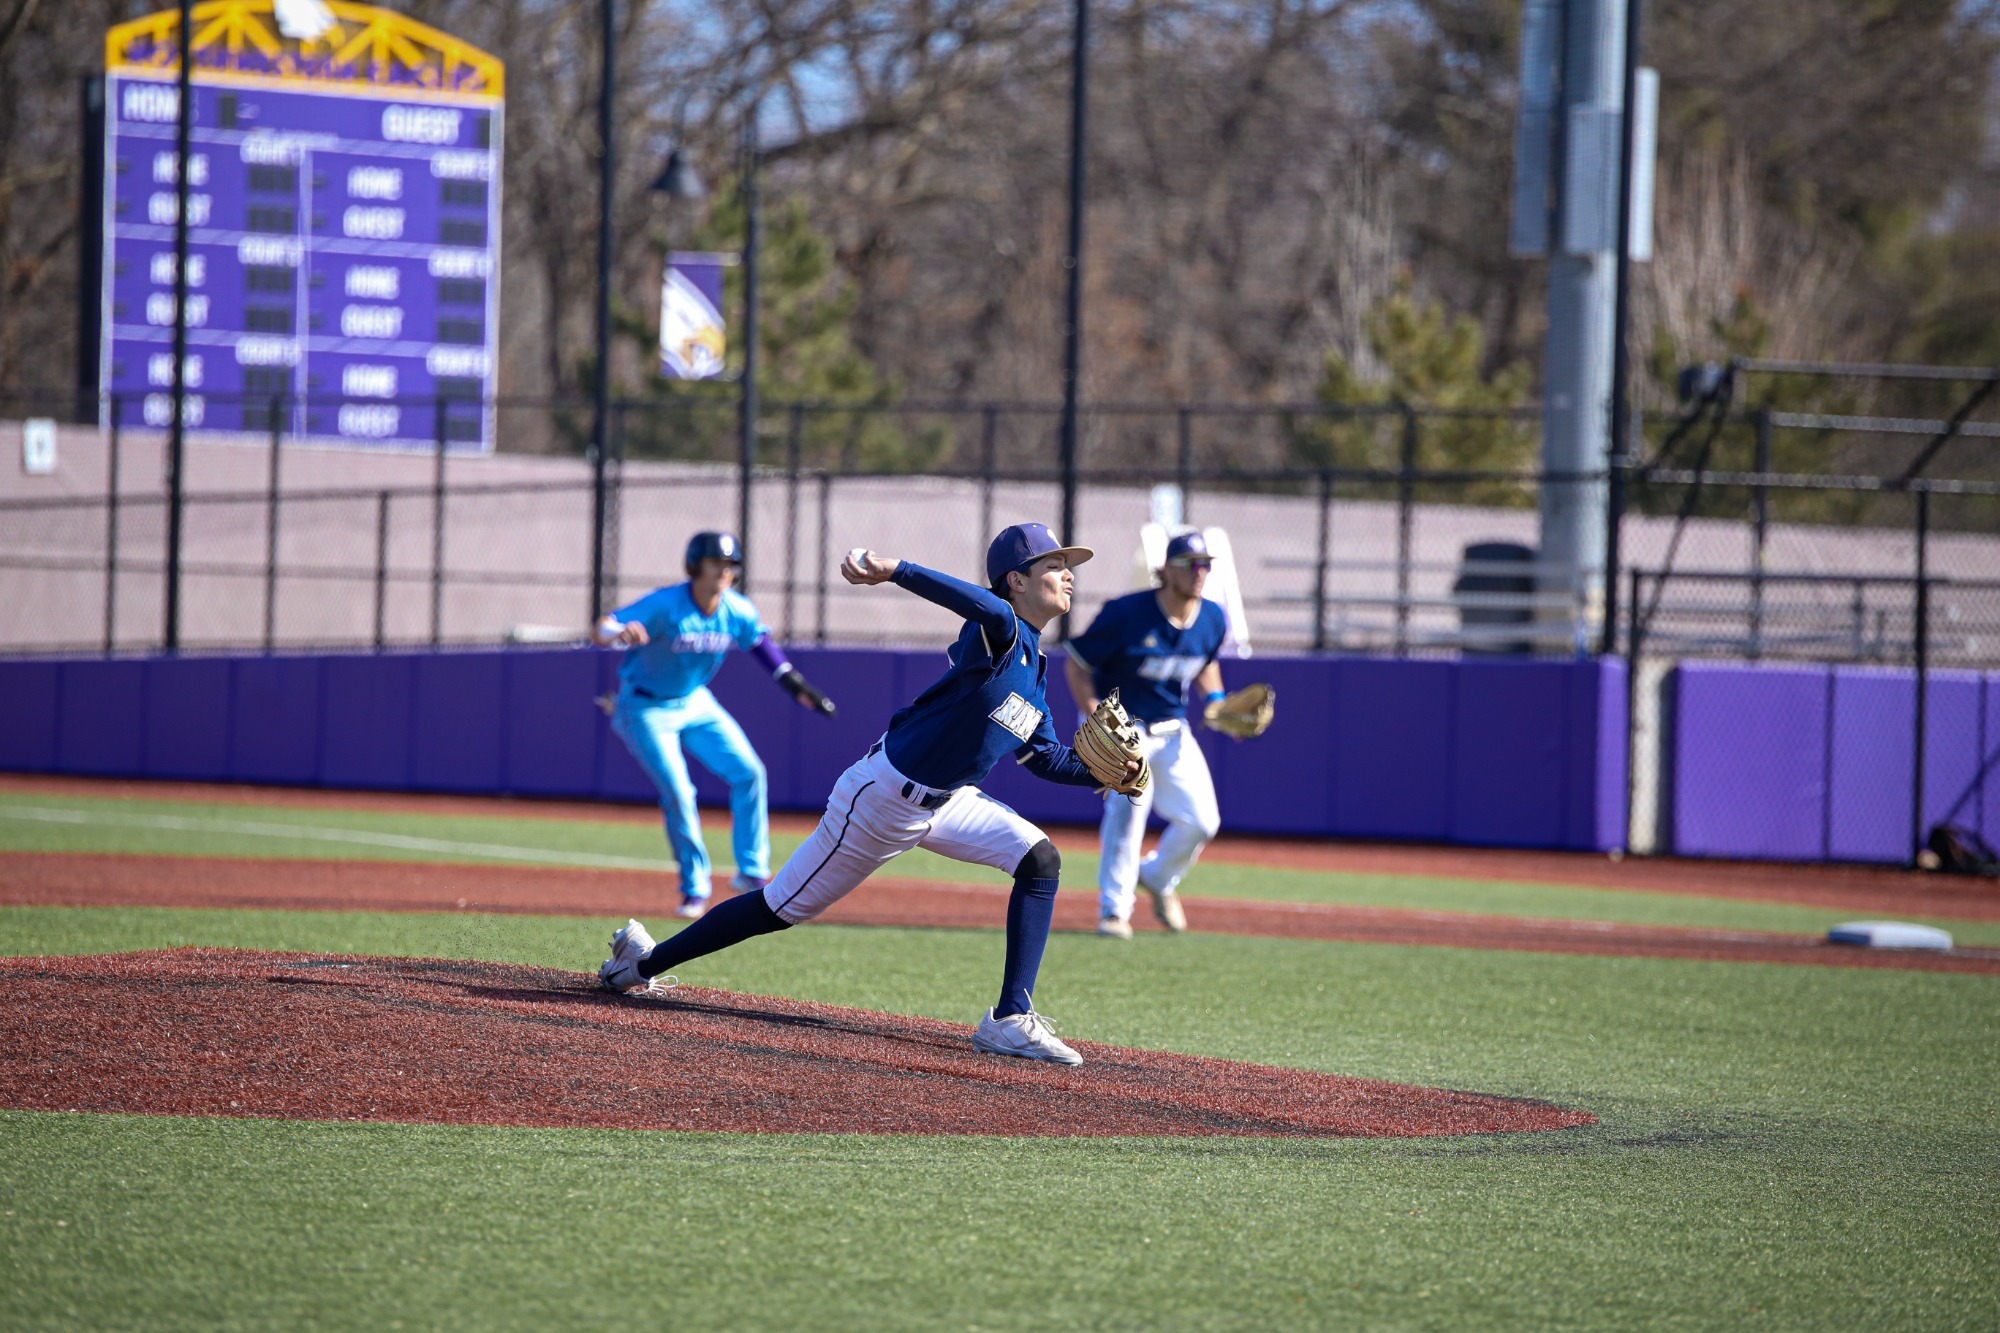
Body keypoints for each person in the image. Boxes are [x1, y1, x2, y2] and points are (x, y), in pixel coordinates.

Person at [597, 522, 1140, 1066]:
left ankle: (1010, 1018)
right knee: (779, 908)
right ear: (1016, 581)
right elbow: (978, 602)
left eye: (1067, 566)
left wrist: (1109, 775)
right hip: (881, 801)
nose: (1068, 575)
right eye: (1054, 565)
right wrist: (895, 570)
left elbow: (1043, 757)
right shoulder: (999, 629)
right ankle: (640, 964)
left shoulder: (1035, 670)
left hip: (950, 800)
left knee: (1039, 858)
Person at [595, 531, 834, 919]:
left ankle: (752, 872)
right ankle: (694, 889)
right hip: (645, 706)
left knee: (749, 772)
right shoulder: (665, 604)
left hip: (695, 701)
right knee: (679, 793)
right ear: (695, 565)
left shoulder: (735, 608)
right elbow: (603, 627)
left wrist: (796, 685)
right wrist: (616, 632)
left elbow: (759, 643)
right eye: (715, 563)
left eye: (730, 564)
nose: (724, 571)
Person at [1063, 530, 1229, 939]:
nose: (1199, 572)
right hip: (1124, 725)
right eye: (1190, 564)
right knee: (1128, 811)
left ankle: (1155, 877)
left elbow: (1203, 662)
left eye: (1205, 564)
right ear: (1166, 570)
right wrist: (1092, 713)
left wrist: (1217, 701)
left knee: (1202, 822)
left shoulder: (1212, 617)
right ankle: (1114, 910)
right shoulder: (1126, 614)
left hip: (1173, 728)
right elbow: (1078, 664)